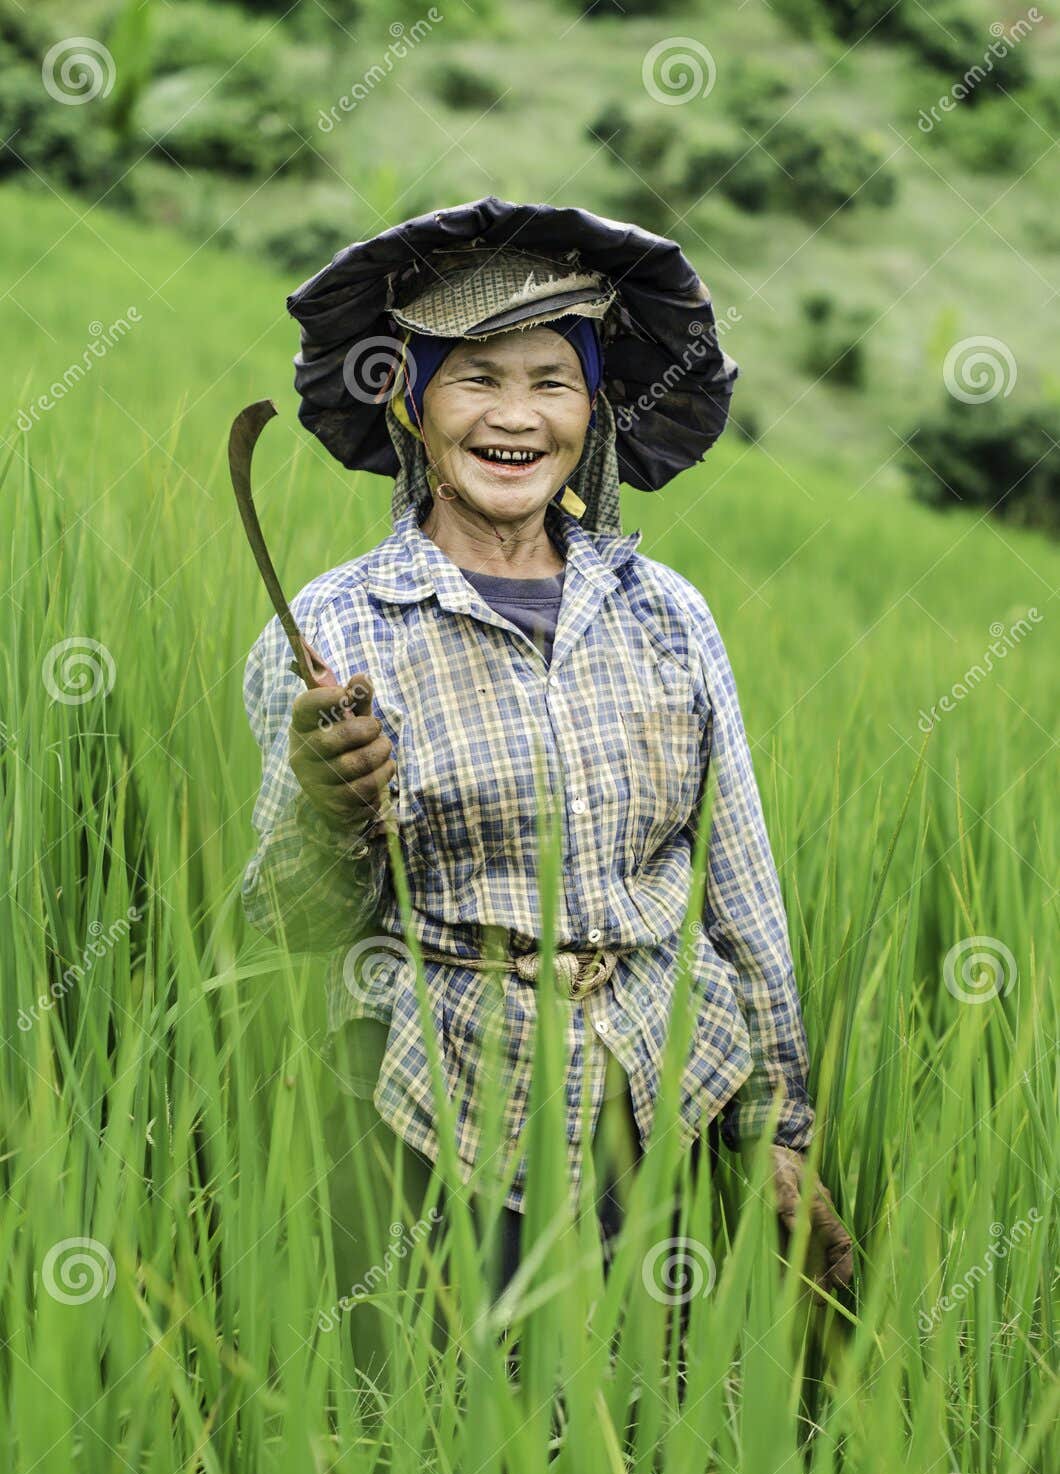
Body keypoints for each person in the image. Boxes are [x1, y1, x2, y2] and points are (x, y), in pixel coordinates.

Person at [241, 199, 853, 1330]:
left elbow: (737, 884)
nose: (516, 415)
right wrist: (329, 812)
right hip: (436, 1106)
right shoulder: (335, 632)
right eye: (475, 378)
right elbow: (288, 925)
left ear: (592, 407)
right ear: (410, 401)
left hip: (657, 1095)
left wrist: (783, 1132)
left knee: (644, 1428)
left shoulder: (666, 616)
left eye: (550, 379)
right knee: (456, 1438)